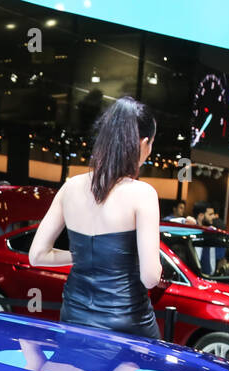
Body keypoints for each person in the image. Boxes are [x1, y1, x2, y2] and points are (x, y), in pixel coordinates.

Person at [28, 95, 161, 338]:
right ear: (143, 143)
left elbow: (37, 256)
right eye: (151, 144)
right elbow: (150, 277)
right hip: (128, 326)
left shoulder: (70, 187)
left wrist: (83, 256)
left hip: (74, 318)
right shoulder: (143, 194)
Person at [192, 201, 224, 273]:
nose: (213, 217)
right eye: (210, 214)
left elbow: (220, 256)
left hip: (211, 275)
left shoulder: (213, 231)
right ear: (200, 216)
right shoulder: (189, 233)